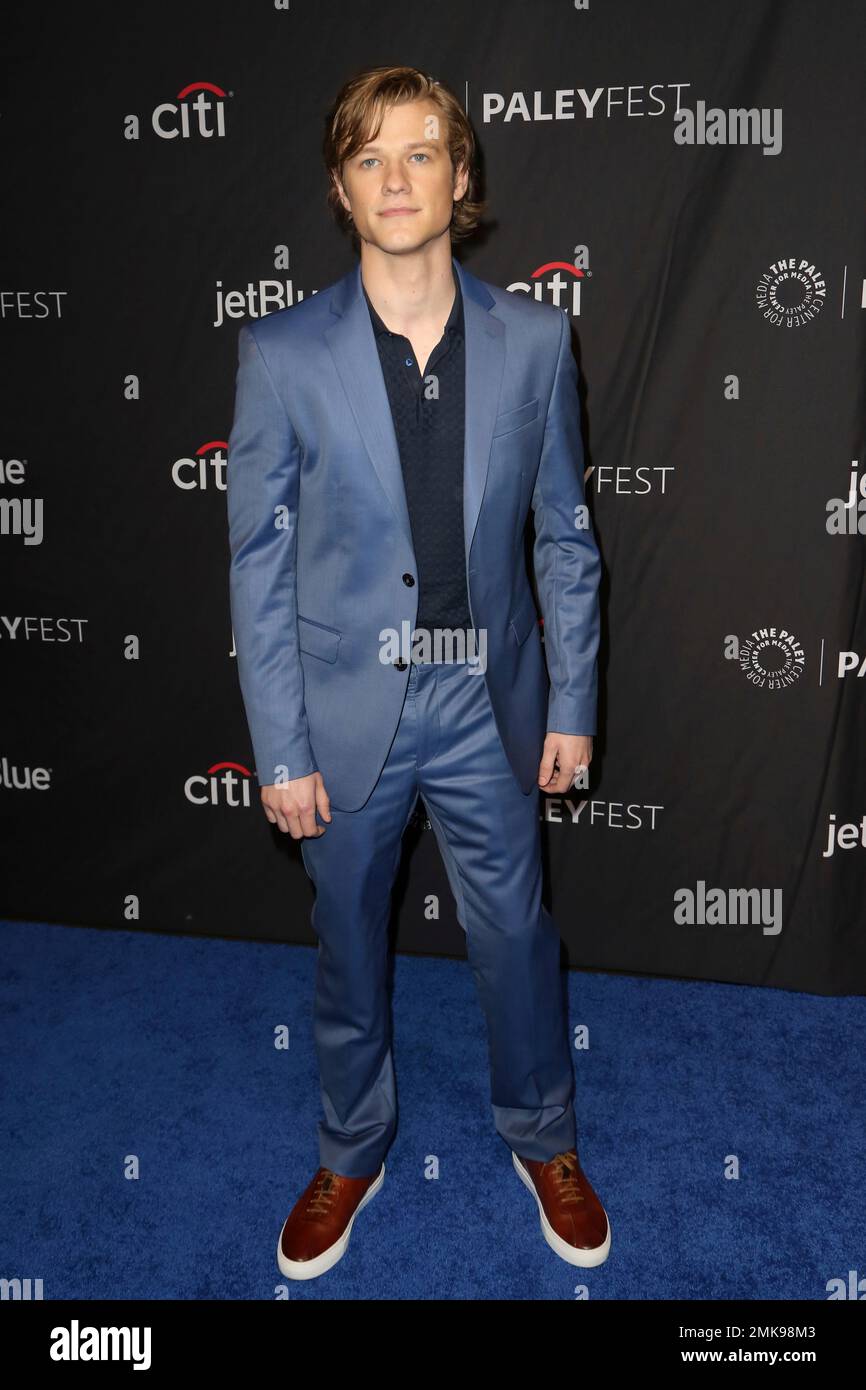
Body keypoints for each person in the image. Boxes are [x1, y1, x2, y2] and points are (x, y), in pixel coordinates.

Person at [226, 63, 609, 1281]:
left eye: (422, 152)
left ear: (461, 177)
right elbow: (259, 569)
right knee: (346, 937)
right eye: (370, 157)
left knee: (514, 936)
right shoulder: (281, 354)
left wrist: (571, 699)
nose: (398, 177)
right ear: (342, 189)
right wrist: (278, 746)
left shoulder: (538, 339)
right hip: (346, 707)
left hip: (482, 698)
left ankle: (539, 1131)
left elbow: (563, 535)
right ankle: (353, 1142)